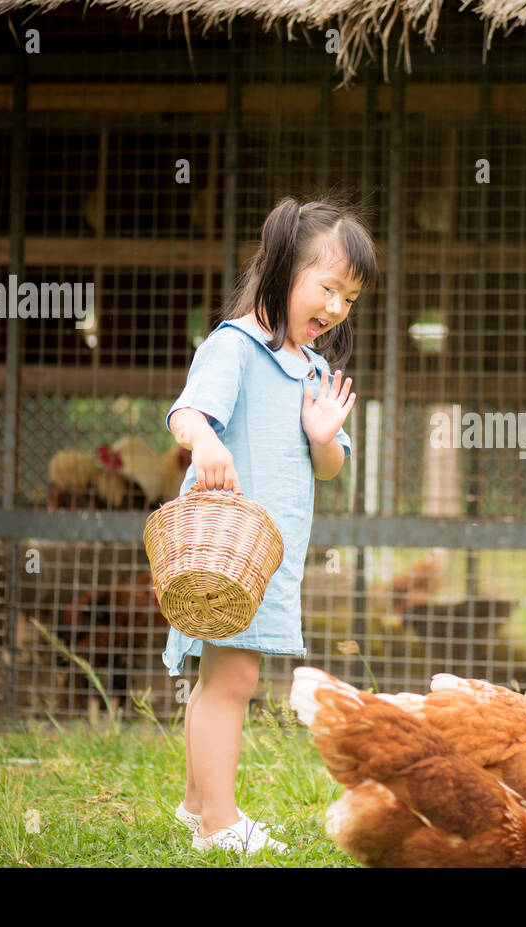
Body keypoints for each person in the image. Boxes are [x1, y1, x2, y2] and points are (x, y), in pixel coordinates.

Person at [163, 195, 378, 853]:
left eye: (350, 297)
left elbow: (333, 467)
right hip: (225, 552)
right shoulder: (236, 347)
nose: (337, 308)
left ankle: (198, 804)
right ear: (284, 268)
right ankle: (219, 825)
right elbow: (186, 414)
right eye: (328, 287)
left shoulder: (315, 370)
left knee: (224, 675)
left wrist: (321, 434)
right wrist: (204, 443)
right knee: (232, 679)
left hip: (272, 559)